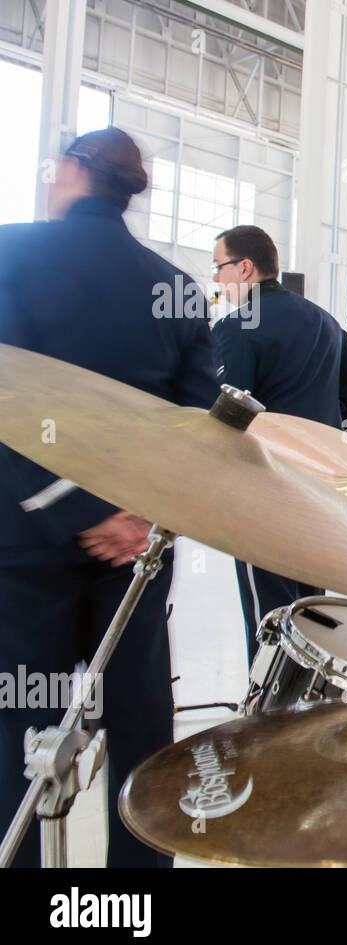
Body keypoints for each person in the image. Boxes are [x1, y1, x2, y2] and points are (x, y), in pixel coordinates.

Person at [0, 128, 220, 867]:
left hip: (25, 543)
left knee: (22, 734)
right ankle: (130, 900)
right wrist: (137, 513)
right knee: (137, 728)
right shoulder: (180, 288)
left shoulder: (11, 253)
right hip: (138, 548)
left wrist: (77, 509)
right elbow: (198, 426)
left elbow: (5, 401)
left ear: (68, 172)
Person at [209, 225, 347, 662]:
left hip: (262, 491)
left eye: (219, 267)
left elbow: (229, 411)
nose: (216, 280)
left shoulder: (237, 327)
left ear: (244, 267)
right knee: (309, 608)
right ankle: (306, 707)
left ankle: (267, 713)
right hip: (318, 489)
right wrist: (328, 431)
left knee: (269, 614)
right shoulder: (323, 320)